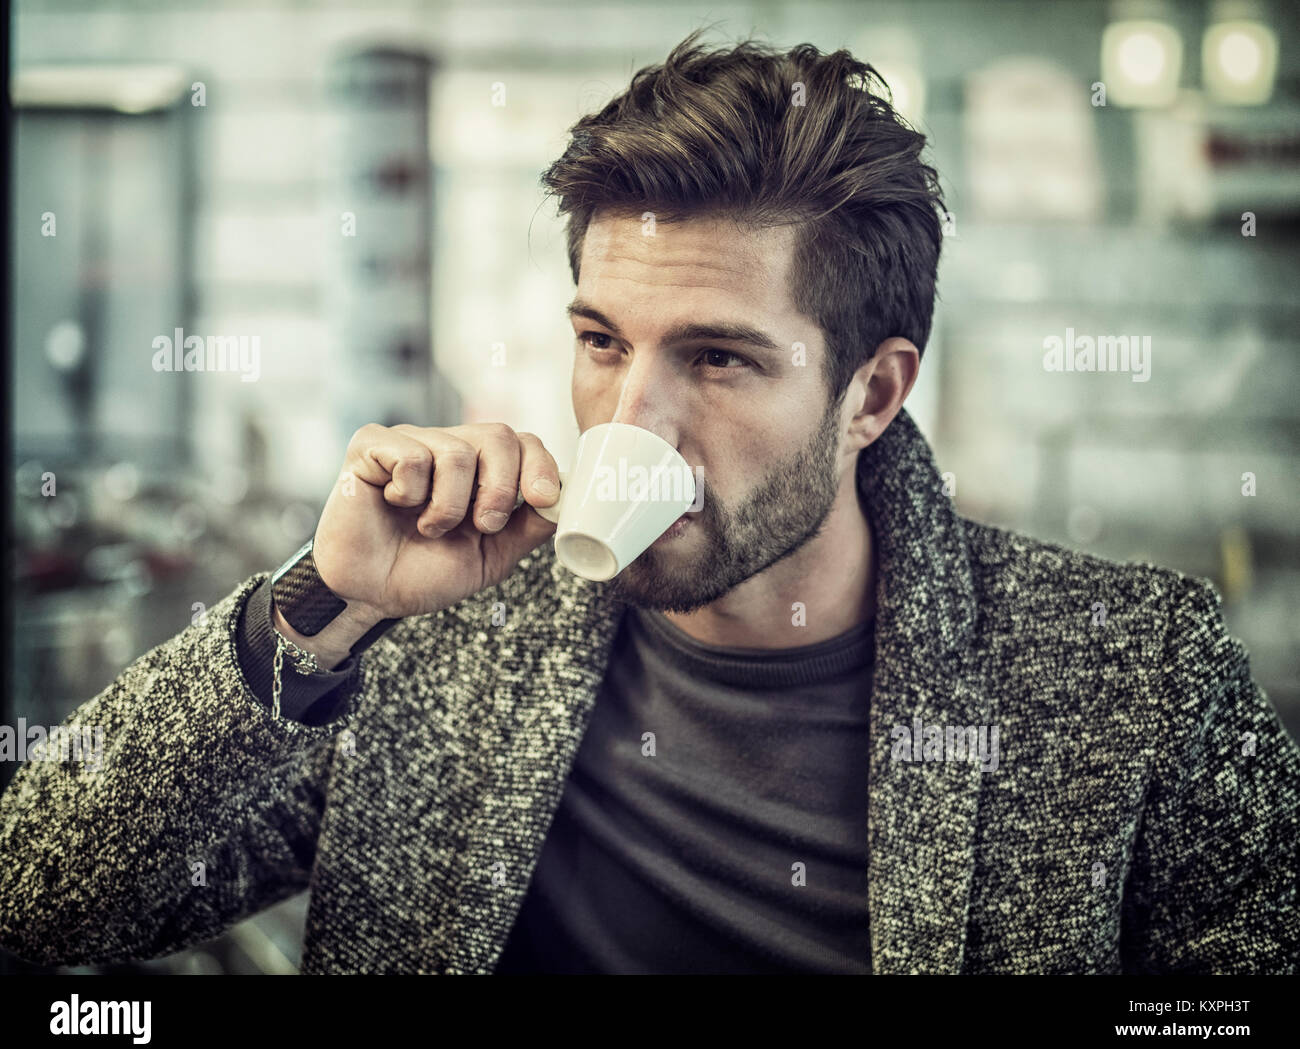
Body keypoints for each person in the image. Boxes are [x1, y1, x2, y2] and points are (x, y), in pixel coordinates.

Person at [2, 31, 1296, 975]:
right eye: (603, 339)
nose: (632, 419)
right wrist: (313, 608)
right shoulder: (433, 639)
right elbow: (33, 898)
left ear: (874, 393)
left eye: (719, 358)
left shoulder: (1129, 679)